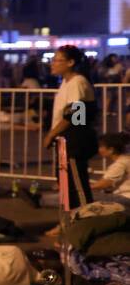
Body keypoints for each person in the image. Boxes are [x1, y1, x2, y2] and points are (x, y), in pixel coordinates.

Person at [43, 44, 97, 207]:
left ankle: (84, 219)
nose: (53, 63)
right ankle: (67, 220)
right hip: (65, 140)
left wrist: (51, 134)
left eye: (57, 60)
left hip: (74, 141)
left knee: (76, 185)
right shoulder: (66, 82)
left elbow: (76, 115)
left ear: (70, 62)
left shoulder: (77, 82)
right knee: (65, 183)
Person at [88, 132, 130, 203]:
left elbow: (105, 183)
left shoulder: (120, 163)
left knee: (88, 195)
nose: (99, 150)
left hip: (125, 197)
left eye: (101, 147)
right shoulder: (125, 159)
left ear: (111, 150)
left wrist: (84, 188)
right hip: (124, 197)